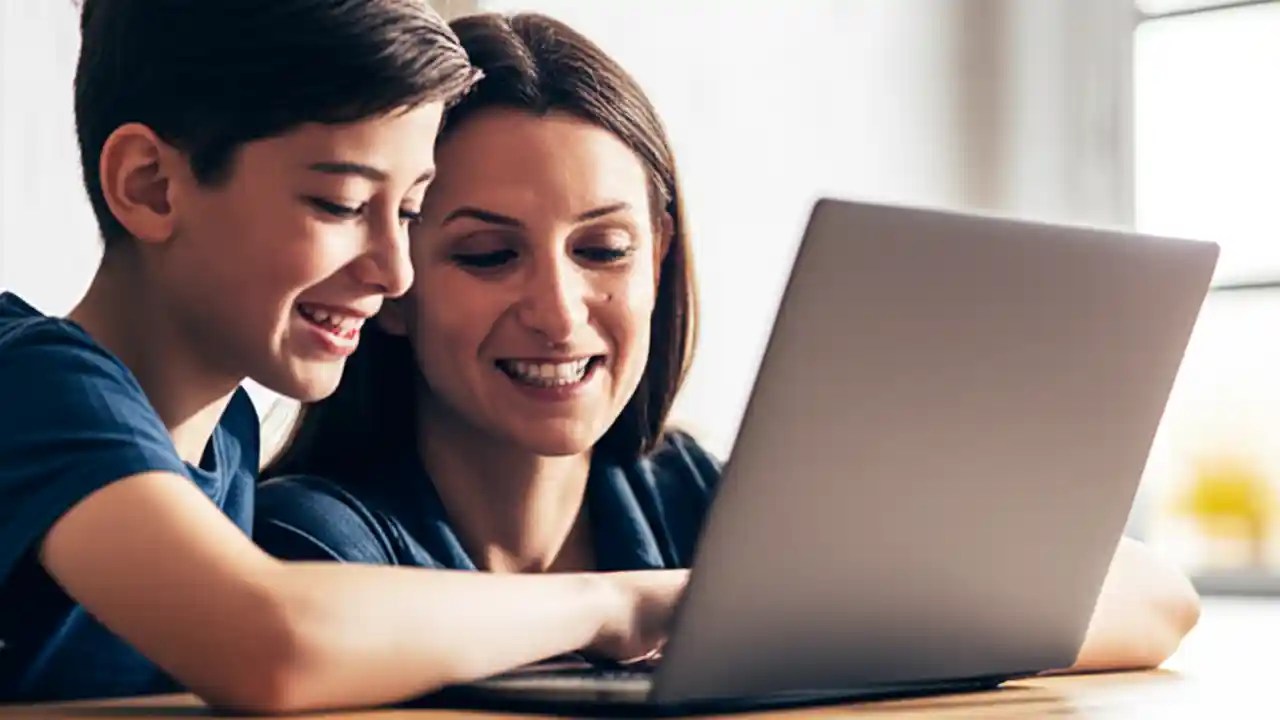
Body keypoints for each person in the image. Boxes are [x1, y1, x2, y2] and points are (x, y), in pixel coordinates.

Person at [257, 10, 1202, 685]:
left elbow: (1157, 599)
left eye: (603, 250)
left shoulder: (686, 492)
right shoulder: (312, 541)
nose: (557, 311)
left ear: (659, 260)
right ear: (393, 281)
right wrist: (646, 609)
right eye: (488, 254)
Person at [0, 1, 667, 713]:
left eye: (408, 213)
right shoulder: (35, 387)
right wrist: (614, 604)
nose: (395, 272)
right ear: (150, 186)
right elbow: (271, 644)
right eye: (342, 204)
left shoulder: (226, 437)